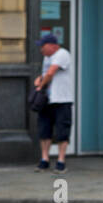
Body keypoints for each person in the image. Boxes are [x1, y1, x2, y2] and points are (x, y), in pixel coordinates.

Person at [33, 32, 72, 172]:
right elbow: (45, 74)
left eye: (42, 46)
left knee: (62, 131)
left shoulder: (62, 54)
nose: (41, 50)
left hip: (62, 99)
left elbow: (51, 73)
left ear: (51, 46)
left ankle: (61, 161)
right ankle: (45, 159)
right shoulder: (47, 57)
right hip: (47, 100)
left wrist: (40, 85)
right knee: (44, 130)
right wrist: (39, 80)